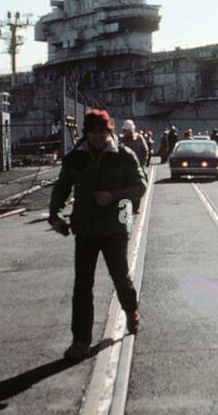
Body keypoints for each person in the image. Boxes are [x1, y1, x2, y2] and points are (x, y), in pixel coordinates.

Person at [48, 109, 148, 360]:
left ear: (109, 131)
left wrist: (113, 196)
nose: (97, 137)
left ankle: (131, 310)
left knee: (120, 277)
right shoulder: (75, 159)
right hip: (85, 229)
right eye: (93, 132)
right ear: (87, 133)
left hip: (115, 228)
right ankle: (80, 340)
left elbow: (140, 185)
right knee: (82, 286)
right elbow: (61, 188)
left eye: (102, 132)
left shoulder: (124, 156)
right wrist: (55, 216)